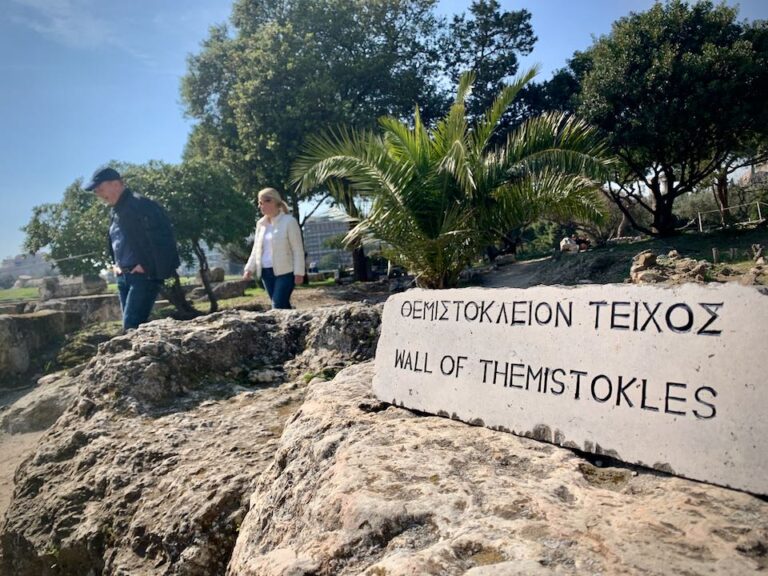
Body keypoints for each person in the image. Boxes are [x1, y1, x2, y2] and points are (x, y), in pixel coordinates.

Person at [85, 166, 180, 330]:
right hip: (123, 276)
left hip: (142, 276)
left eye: (100, 188)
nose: (98, 194)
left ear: (116, 184)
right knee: (131, 327)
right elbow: (117, 241)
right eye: (95, 191)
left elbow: (164, 239)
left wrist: (146, 266)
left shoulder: (142, 205)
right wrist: (115, 264)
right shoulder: (115, 211)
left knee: (131, 326)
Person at [243, 187, 305, 309]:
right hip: (266, 273)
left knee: (277, 306)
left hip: (286, 273)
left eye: (264, 202)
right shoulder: (261, 224)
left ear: (274, 202)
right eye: (259, 203)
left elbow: (297, 249)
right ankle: (293, 328)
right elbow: (256, 248)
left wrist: (299, 272)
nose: (261, 205)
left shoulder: (289, 221)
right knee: (283, 307)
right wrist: (249, 269)